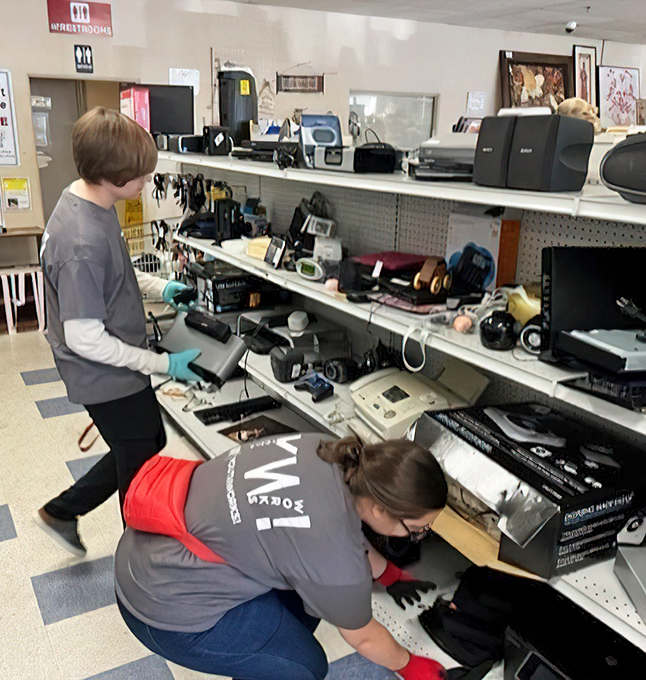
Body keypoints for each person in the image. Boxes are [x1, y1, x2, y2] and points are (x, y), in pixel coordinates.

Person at [115, 433, 449, 680]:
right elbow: (362, 634)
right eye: (417, 528)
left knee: (305, 612)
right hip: (163, 611)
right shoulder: (333, 555)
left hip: (146, 552)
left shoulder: (328, 450)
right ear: (379, 507)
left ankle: (259, 664)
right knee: (303, 667)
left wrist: (387, 575)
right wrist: (409, 665)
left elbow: (342, 532)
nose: (417, 535)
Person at [35, 107, 200, 557]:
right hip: (102, 371)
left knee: (146, 442)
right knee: (140, 460)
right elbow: (84, 338)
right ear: (111, 175)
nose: (147, 182)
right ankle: (141, 561)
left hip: (114, 363)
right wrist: (162, 363)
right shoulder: (80, 242)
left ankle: (63, 511)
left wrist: (161, 286)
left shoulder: (89, 200)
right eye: (141, 177)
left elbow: (116, 277)